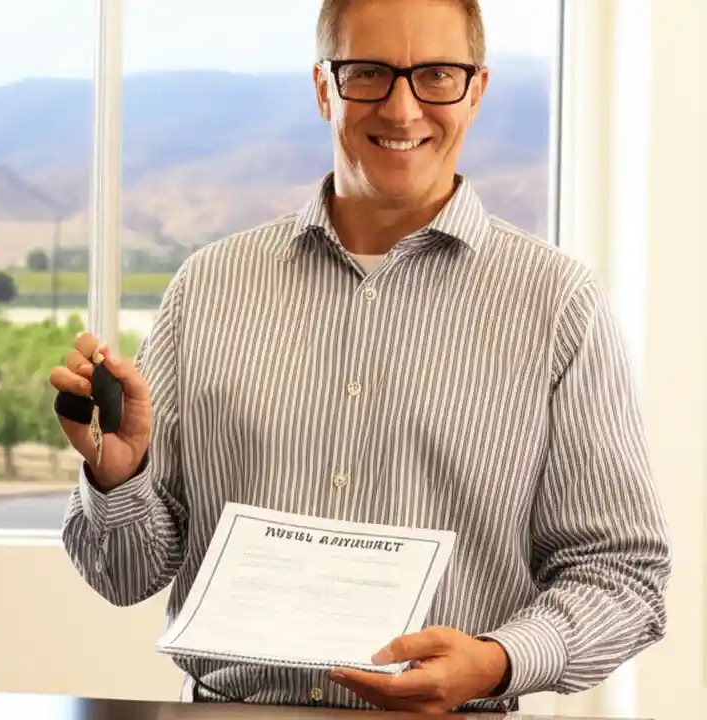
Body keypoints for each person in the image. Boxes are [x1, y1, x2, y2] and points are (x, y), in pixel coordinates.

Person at [48, 0, 671, 713]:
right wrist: (119, 474)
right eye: (369, 73)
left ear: (477, 89)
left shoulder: (558, 304)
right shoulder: (209, 288)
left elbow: (624, 576)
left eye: (436, 74)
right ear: (323, 88)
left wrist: (498, 662)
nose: (403, 110)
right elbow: (123, 577)